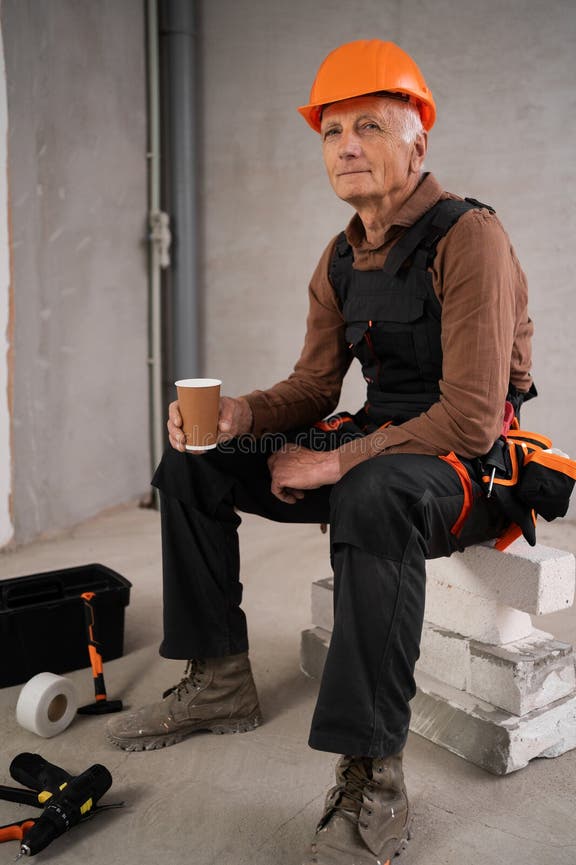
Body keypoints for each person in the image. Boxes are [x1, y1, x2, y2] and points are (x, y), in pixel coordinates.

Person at [106, 39, 534, 865]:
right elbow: (311, 388)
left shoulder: (469, 237)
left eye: (370, 126)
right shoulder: (340, 256)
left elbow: (475, 418)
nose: (346, 146)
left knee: (372, 493)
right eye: (332, 130)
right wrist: (238, 415)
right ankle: (219, 678)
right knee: (195, 459)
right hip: (380, 442)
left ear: (419, 142)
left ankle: (373, 773)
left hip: (467, 467)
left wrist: (339, 463)